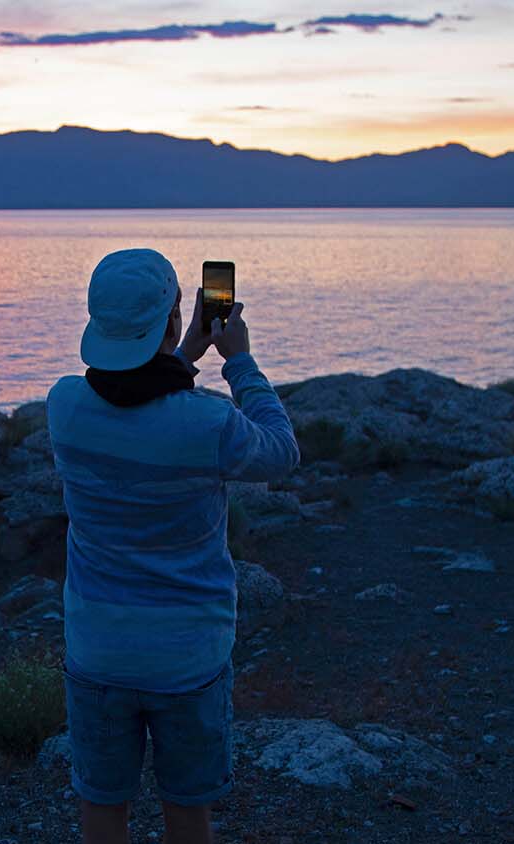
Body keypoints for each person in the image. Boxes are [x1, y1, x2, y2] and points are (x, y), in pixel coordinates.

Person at [46, 248, 300, 844]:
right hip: (187, 655)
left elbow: (133, 398)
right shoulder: (209, 425)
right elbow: (282, 451)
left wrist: (182, 351)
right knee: (187, 810)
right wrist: (238, 361)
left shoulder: (64, 407)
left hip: (98, 649)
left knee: (103, 806)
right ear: (168, 320)